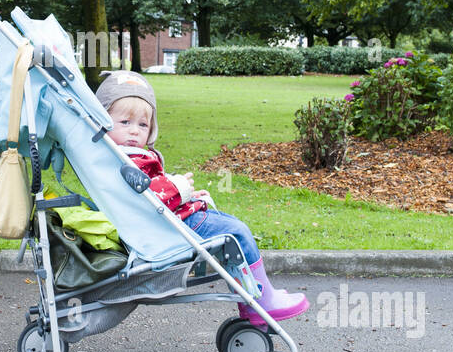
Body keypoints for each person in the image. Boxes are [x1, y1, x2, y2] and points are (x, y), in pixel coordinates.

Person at [94, 71, 308, 323]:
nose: (134, 132)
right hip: (171, 226)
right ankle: (261, 301)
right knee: (236, 232)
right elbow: (152, 195)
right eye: (125, 123)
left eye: (143, 125)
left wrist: (188, 195)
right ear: (105, 122)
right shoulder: (126, 160)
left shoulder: (121, 156)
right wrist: (180, 187)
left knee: (229, 227)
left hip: (169, 219)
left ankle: (258, 294)